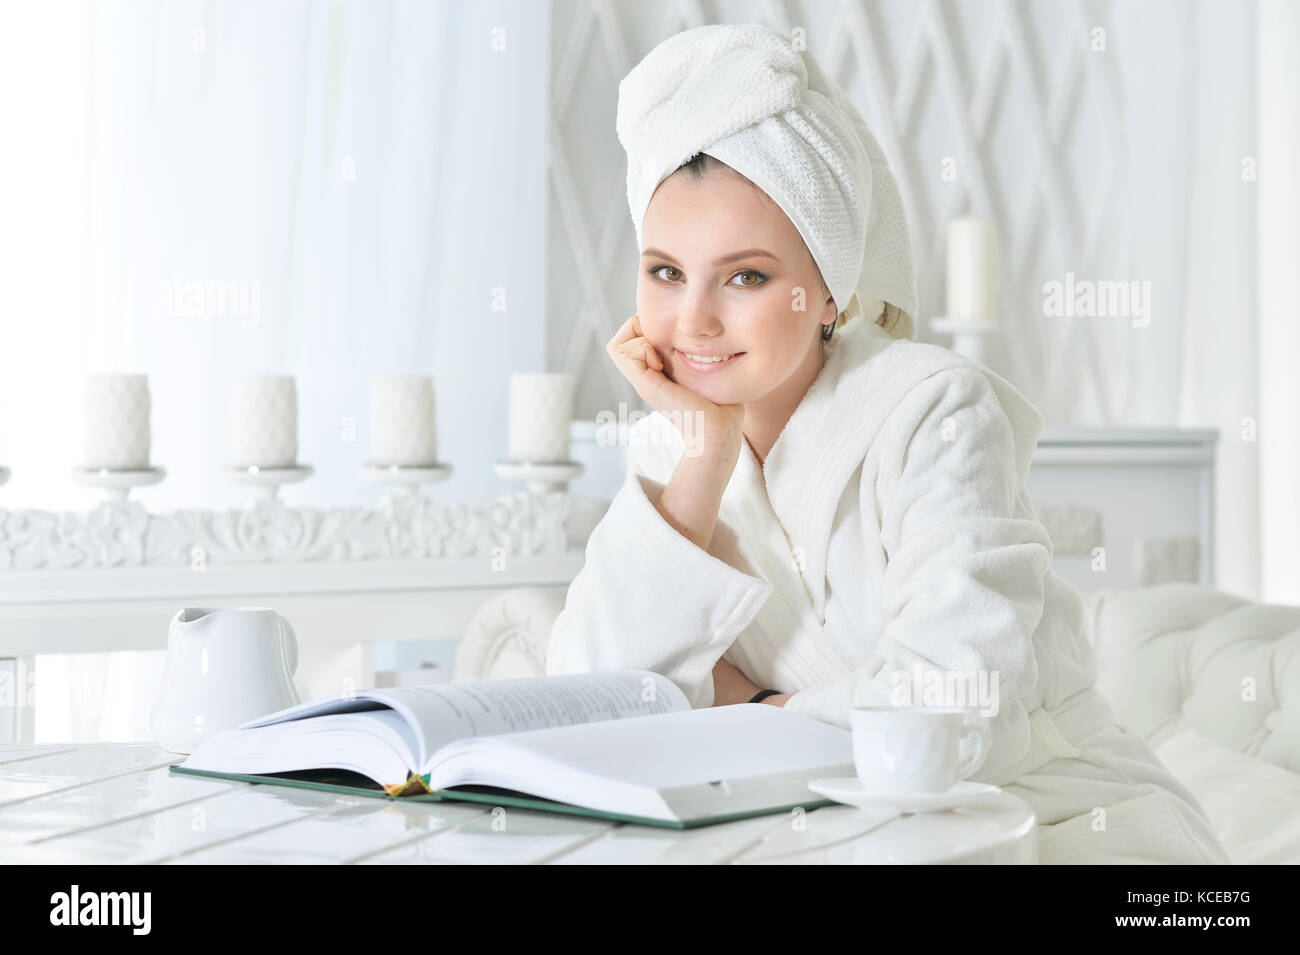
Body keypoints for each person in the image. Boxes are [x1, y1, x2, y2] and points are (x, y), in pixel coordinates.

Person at [545, 22, 1229, 865]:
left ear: (828, 291)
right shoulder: (675, 451)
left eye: (746, 276)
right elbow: (587, 702)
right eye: (665, 272)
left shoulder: (934, 411)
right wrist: (701, 458)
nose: (693, 321)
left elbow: (950, 703)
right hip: (820, 836)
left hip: (1062, 825)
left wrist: (746, 707)